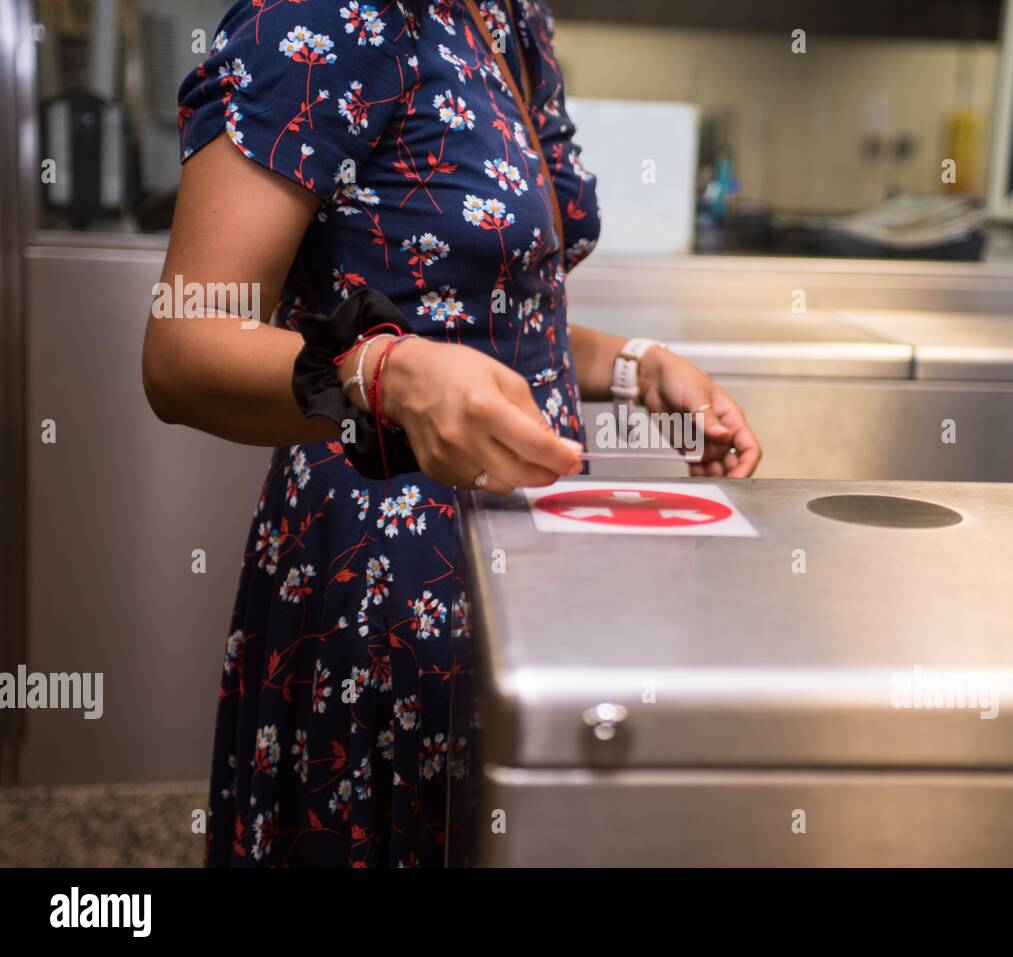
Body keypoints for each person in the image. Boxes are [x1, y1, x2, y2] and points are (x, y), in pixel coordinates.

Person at [142, 0, 760, 866]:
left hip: (516, 567)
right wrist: (386, 378)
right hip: (382, 584)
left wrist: (633, 366)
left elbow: (475, 315)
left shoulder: (509, 18)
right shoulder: (327, 16)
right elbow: (183, 347)